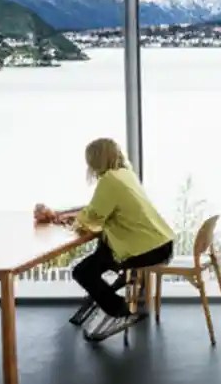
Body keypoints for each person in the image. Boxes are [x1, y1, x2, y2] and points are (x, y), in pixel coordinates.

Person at [65, 138, 176, 342]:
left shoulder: (108, 181)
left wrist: (69, 218)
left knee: (83, 272)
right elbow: (98, 211)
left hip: (147, 251)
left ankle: (121, 310)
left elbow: (92, 219)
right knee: (102, 251)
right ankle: (109, 297)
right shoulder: (125, 174)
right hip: (163, 243)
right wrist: (72, 214)